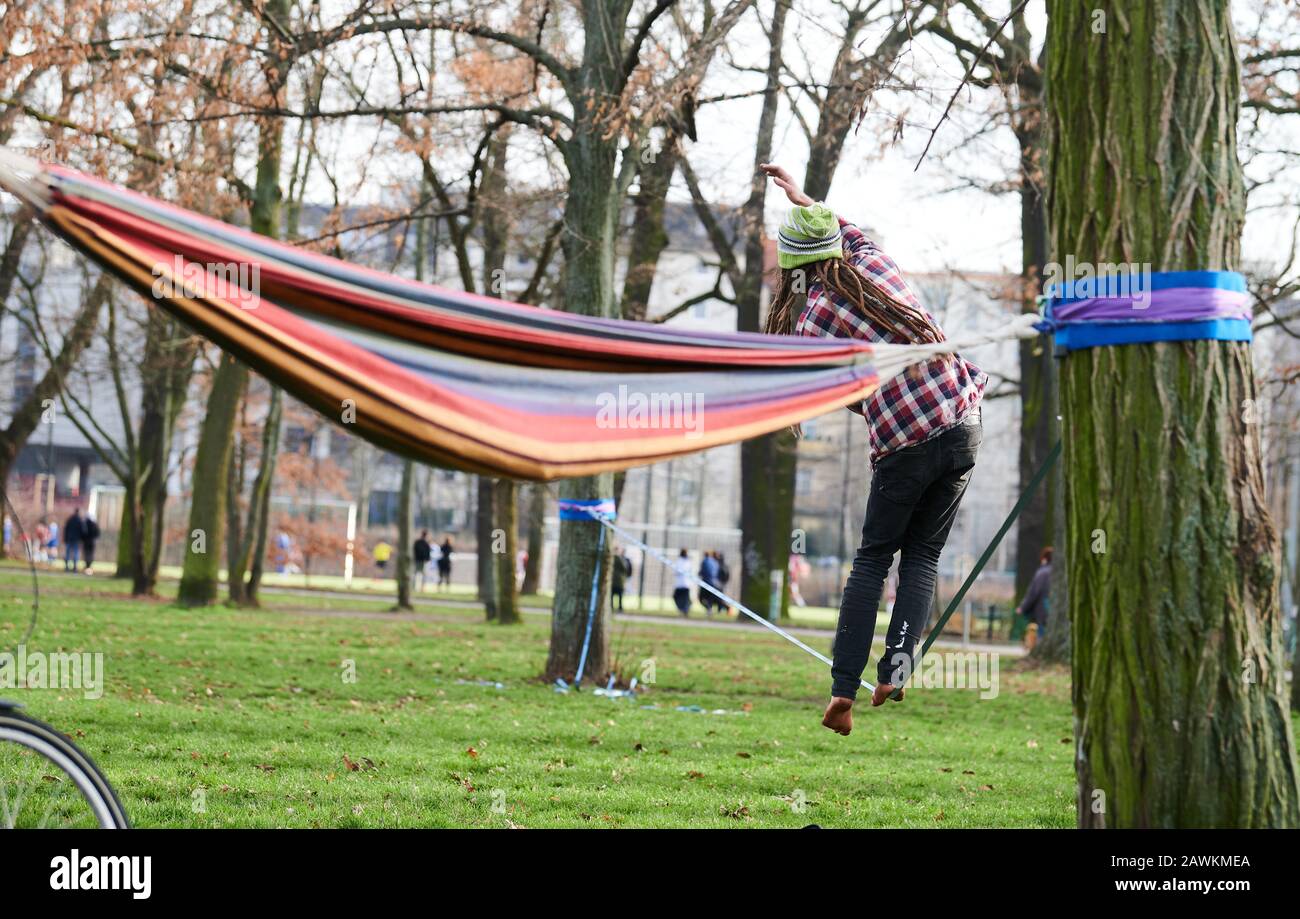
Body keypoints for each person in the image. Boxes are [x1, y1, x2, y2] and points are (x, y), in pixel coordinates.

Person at [758, 164, 986, 733]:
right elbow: (848, 230)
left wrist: (876, 404)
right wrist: (803, 199)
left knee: (872, 560)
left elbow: (847, 396)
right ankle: (897, 670)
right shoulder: (874, 262)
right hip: (962, 422)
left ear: (793, 266)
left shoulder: (811, 328)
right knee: (924, 558)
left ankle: (842, 693)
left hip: (903, 444)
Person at [1016, 547, 1053, 647]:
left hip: (1043, 610)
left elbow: (1033, 593)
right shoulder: (1059, 572)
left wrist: (1022, 608)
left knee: (1040, 632)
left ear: (1044, 558)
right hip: (1054, 610)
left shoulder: (1042, 573)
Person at [698, 550, 719, 616]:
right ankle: (709, 610)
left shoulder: (705, 561)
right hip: (714, 583)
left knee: (701, 598)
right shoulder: (715, 562)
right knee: (709, 599)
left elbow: (702, 572)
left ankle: (709, 609)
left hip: (706, 583)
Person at [672, 549, 692, 617]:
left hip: (681, 584)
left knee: (677, 597)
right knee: (685, 599)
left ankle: (683, 610)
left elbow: (675, 572)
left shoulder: (679, 561)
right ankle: (684, 610)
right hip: (686, 584)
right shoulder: (688, 562)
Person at [611, 547, 632, 611]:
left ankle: (613, 606)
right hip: (618, 580)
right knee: (619, 593)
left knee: (614, 594)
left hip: (615, 580)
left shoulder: (614, 558)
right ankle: (619, 607)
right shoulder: (620, 559)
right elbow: (625, 568)